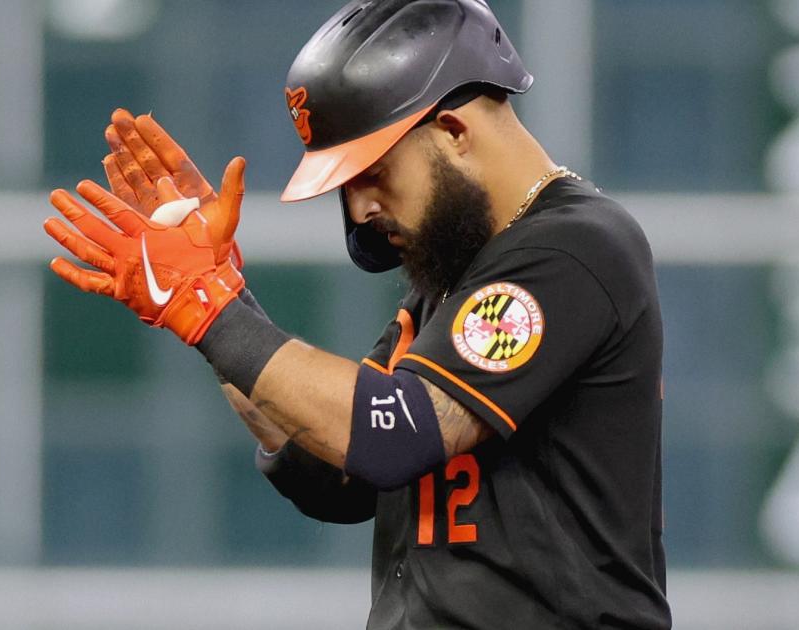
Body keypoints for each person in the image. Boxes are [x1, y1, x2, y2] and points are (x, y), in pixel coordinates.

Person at [42, 0, 670, 627]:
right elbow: (332, 472)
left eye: (371, 172)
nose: (360, 208)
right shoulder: (459, 275)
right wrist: (221, 298)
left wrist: (207, 305)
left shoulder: (573, 249)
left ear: (452, 132)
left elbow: (394, 436)